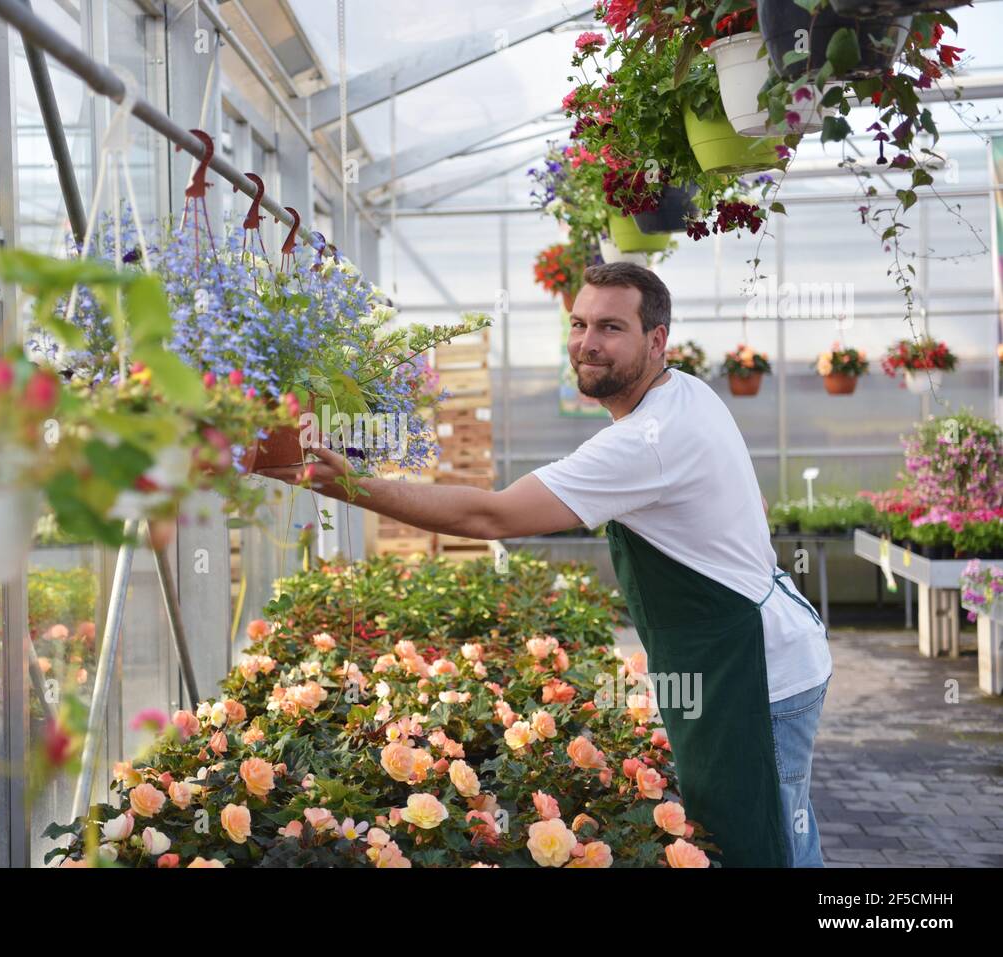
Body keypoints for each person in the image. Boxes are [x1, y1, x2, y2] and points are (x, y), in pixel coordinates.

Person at [257, 261, 833, 867]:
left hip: (755, 673)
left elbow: (491, 517)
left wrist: (352, 487)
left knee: (766, 849)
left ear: (656, 340)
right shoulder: (685, 392)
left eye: (611, 327)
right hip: (742, 657)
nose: (588, 342)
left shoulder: (647, 440)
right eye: (580, 323)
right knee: (766, 836)